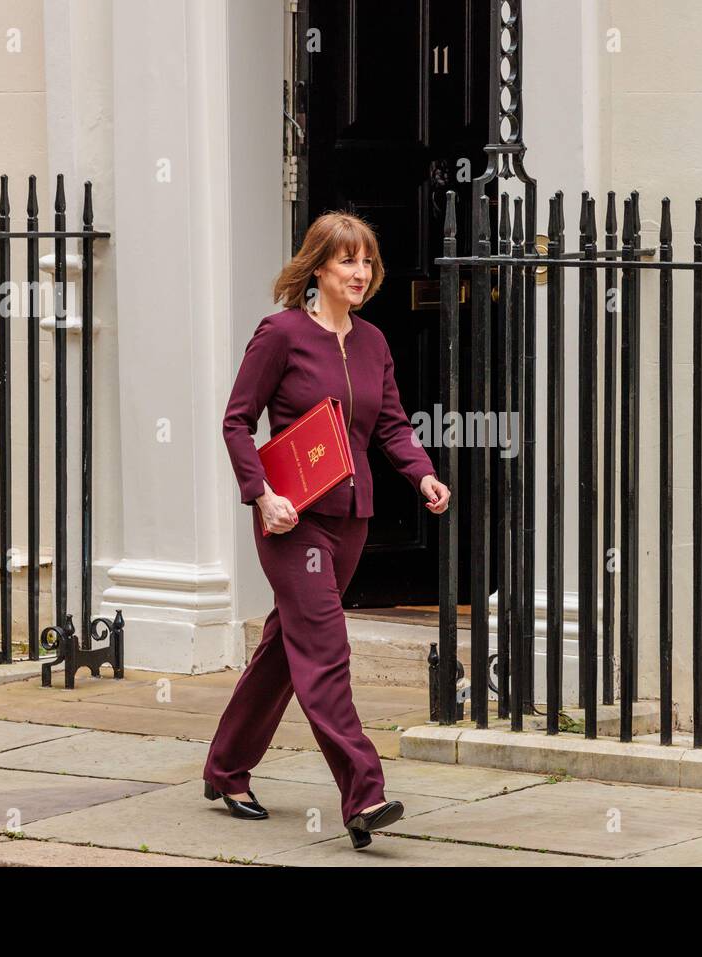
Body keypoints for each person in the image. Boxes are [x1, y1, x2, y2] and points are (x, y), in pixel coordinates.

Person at [202, 210, 451, 849]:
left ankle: (226, 768)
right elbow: (237, 421)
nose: (361, 273)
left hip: (352, 522)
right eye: (348, 261)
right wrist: (261, 496)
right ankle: (364, 794)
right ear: (318, 268)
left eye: (367, 261)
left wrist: (421, 474)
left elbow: (392, 425)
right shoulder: (281, 334)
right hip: (292, 522)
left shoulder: (373, 343)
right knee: (326, 651)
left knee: (288, 650)